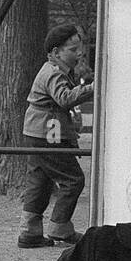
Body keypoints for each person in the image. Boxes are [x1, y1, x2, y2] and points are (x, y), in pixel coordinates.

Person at [18, 24, 94, 249]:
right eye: (72, 49)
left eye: (79, 48)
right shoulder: (53, 72)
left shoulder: (55, 69)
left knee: (39, 182)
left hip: (37, 131)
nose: (79, 53)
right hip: (48, 132)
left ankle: (29, 231)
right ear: (55, 52)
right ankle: (59, 227)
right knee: (73, 180)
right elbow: (64, 98)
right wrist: (93, 87)